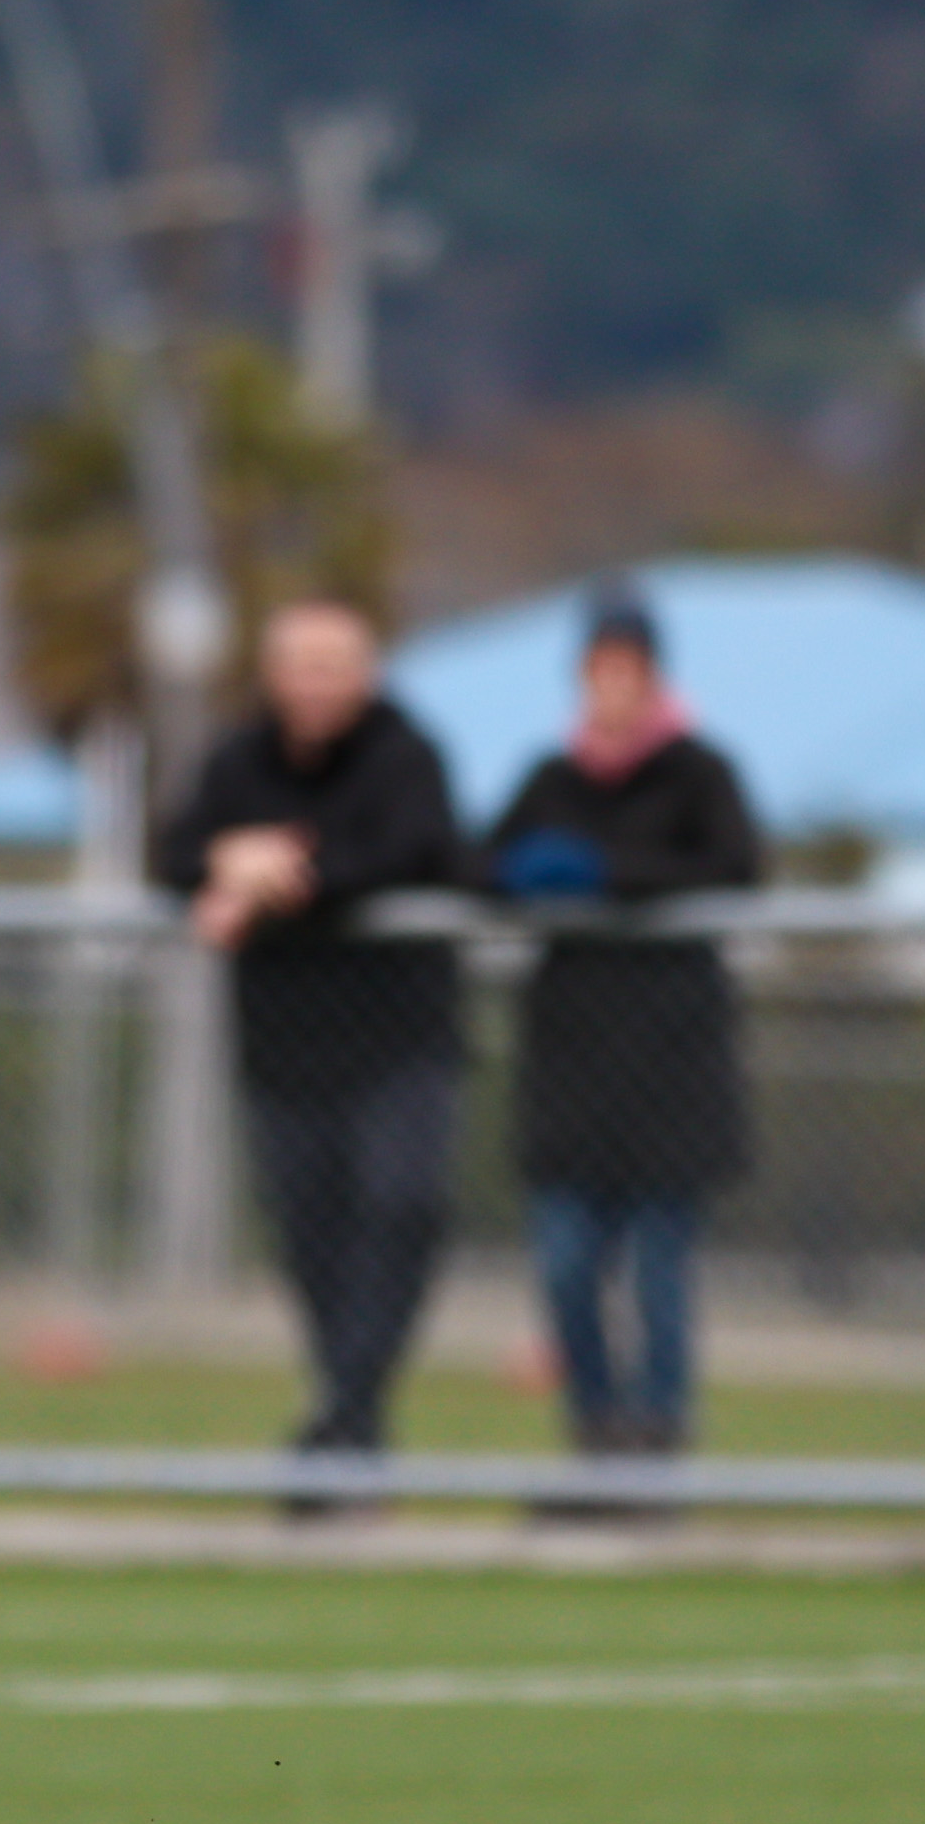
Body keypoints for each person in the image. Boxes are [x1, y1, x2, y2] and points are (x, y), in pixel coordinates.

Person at [153, 597, 466, 1479]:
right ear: (272, 672)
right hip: (283, 1053)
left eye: (336, 663)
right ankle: (346, 1423)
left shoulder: (406, 754)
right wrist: (226, 863)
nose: (318, 682)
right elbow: (175, 852)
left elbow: (417, 850)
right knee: (309, 1237)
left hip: (400, 1044)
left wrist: (282, 873)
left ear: (366, 674)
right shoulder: (239, 760)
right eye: (302, 662)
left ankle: (345, 1419)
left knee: (402, 1207)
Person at [483, 582, 763, 1459]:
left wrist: (604, 875)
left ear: (651, 674)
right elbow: (484, 862)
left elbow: (733, 866)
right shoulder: (550, 776)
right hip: (572, 1066)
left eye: (626, 667)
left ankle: (658, 1431)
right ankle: (595, 1428)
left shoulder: (697, 770)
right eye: (597, 667)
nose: (611, 683)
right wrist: (529, 876)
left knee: (657, 1273)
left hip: (671, 1063)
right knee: (566, 1268)